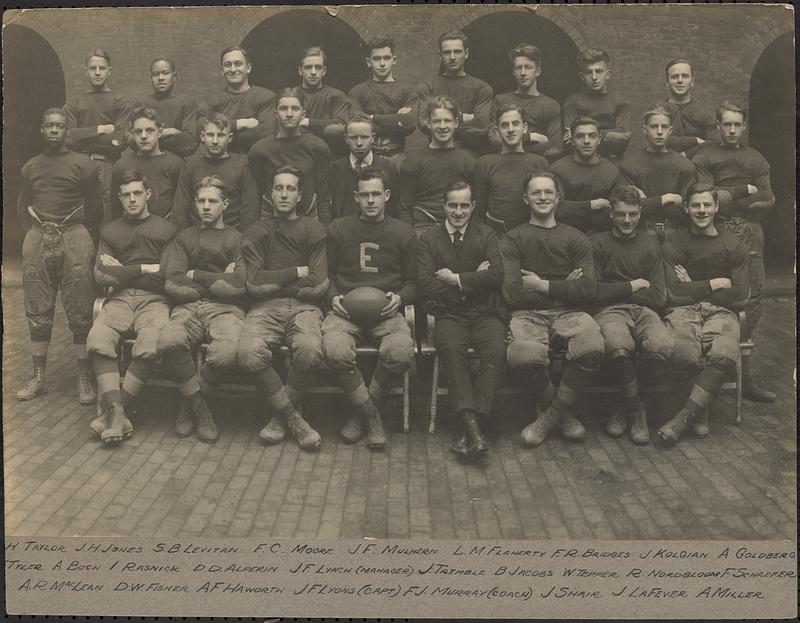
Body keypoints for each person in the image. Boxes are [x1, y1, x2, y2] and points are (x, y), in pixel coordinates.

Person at [500, 170, 603, 447]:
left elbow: (588, 289)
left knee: (592, 346)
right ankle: (563, 414)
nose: (542, 197)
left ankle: (548, 417)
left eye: (548, 192)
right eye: (536, 192)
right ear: (526, 199)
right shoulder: (513, 239)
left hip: (570, 313)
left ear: (558, 198)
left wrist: (541, 285)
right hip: (528, 314)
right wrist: (563, 289)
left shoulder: (576, 238)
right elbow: (512, 292)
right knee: (523, 355)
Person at [324, 167, 417, 451]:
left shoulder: (403, 232)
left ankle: (362, 413)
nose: (371, 200)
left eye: (376, 194)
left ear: (387, 195)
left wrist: (400, 298)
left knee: (401, 351)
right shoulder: (338, 228)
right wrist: (333, 297)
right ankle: (372, 416)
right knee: (335, 349)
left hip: (386, 311)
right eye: (365, 195)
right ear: (356, 197)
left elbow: (415, 282)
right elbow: (325, 276)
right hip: (346, 311)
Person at [15, 108, 102, 406]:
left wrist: (82, 239)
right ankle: (38, 377)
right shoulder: (30, 167)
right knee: (37, 308)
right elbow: (22, 206)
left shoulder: (85, 165)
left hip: (75, 236)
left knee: (80, 309)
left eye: (60, 126)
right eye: (49, 125)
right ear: (41, 129)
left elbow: (95, 210)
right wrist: (36, 234)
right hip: (39, 236)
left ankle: (83, 377)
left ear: (68, 130)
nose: (54, 130)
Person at [237, 166, 328, 451]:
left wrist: (275, 278)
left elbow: (319, 282)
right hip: (265, 307)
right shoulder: (258, 230)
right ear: (270, 194)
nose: (284, 194)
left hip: (305, 307)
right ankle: (293, 418)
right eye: (279, 188)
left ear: (300, 195)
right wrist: (296, 272)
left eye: (291, 189)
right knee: (248, 353)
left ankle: (280, 418)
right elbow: (253, 283)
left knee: (310, 349)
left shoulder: (314, 229)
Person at [692, 101, 776, 403]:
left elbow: (768, 199)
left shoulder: (756, 159)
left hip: (749, 232)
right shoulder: (704, 156)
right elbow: (706, 197)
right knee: (713, 296)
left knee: (751, 300)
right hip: (716, 231)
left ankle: (745, 377)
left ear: (744, 127)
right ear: (718, 126)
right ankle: (710, 365)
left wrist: (733, 201)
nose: (731, 129)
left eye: (736, 124)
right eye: (726, 124)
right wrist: (745, 191)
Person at [417, 181, 506, 460]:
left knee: (496, 350)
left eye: (464, 205)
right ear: (443, 206)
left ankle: (469, 427)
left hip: (485, 313)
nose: (458, 212)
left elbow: (496, 277)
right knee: (452, 352)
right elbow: (426, 284)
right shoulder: (429, 239)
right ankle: (473, 428)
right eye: (452, 205)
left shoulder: (486, 234)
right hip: (449, 314)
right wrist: (473, 282)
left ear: (473, 207)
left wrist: (455, 279)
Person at [87, 170, 178, 444]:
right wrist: (143, 267)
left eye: (137, 193)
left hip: (155, 300)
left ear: (148, 194)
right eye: (126, 195)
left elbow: (168, 275)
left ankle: (115, 411)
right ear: (119, 198)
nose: (132, 199)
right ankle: (118, 412)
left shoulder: (166, 229)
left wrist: (123, 271)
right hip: (120, 298)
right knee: (98, 337)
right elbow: (101, 275)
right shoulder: (110, 231)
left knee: (151, 339)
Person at [657, 183, 750, 445]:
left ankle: (684, 417)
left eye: (707, 205)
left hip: (722, 312)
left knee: (724, 352)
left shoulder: (733, 245)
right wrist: (716, 283)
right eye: (695, 205)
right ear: (687, 208)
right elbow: (674, 293)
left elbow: (741, 295)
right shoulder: (674, 243)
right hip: (682, 310)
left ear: (716, 207)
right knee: (683, 353)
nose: (701, 210)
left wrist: (694, 287)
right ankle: (701, 409)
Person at [157, 176, 247, 443]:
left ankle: (189, 403)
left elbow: (240, 285)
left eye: (213, 201)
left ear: (225, 204)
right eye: (201, 201)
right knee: (169, 339)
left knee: (228, 351)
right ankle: (200, 407)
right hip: (189, 306)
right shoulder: (185, 237)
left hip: (226, 309)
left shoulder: (237, 239)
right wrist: (219, 279)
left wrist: (195, 274)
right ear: (195, 204)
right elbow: (173, 281)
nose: (206, 206)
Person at [590, 186, 673, 445]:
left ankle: (622, 405)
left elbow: (659, 295)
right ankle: (636, 409)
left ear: (640, 215)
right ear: (611, 214)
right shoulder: (597, 243)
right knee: (617, 344)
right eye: (622, 214)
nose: (627, 221)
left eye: (633, 215)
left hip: (645, 311)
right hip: (610, 311)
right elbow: (593, 293)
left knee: (662, 344)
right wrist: (634, 286)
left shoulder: (650, 244)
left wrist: (617, 292)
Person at [64, 48, 133, 223]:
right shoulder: (75, 102)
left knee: (108, 208)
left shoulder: (120, 101)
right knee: (80, 205)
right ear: (85, 71)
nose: (97, 72)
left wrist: (81, 138)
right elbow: (67, 137)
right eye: (93, 68)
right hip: (80, 163)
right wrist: (100, 129)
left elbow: (119, 141)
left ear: (110, 70)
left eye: (101, 68)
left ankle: (105, 250)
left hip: (108, 164)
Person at [248, 88, 332, 224]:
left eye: (295, 109)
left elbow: (323, 194)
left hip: (308, 220)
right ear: (275, 113)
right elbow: (255, 196)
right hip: (271, 221)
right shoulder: (260, 149)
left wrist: (324, 228)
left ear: (303, 114)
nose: (289, 114)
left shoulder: (317, 146)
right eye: (283, 108)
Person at [399, 96, 475, 235]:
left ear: (456, 123)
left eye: (447, 121)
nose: (442, 126)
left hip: (459, 228)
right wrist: (409, 238)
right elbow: (405, 208)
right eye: (436, 121)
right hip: (423, 228)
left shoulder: (468, 161)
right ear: (428, 123)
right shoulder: (413, 161)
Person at [618, 105, 696, 240]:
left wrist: (645, 202)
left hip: (676, 236)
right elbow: (626, 207)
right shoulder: (628, 164)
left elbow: (687, 211)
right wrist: (665, 199)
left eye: (664, 127)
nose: (659, 132)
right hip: (639, 235)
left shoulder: (685, 165)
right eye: (654, 127)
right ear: (644, 129)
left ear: (670, 130)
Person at [172, 112, 259, 231]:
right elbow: (180, 212)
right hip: (196, 235)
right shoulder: (190, 165)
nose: (215, 141)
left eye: (221, 135)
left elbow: (250, 212)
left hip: (231, 236)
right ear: (202, 136)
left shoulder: (241, 165)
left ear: (230, 138)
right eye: (210, 135)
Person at [474, 104, 548, 234]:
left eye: (515, 124)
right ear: (497, 131)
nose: (511, 129)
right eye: (505, 125)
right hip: (497, 235)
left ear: (524, 128)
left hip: (532, 234)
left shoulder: (539, 163)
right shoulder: (485, 164)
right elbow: (479, 210)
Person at [416, 30, 493, 156]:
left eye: (457, 52)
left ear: (466, 53)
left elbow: (481, 127)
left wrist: (439, 125)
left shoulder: (482, 88)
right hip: (436, 153)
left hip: (470, 155)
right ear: (440, 55)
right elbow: (424, 123)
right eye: (447, 52)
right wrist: (463, 118)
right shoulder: (428, 86)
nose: (452, 57)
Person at [348, 36, 417, 165]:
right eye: (377, 59)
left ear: (394, 60)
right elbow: (358, 127)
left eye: (386, 58)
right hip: (366, 158)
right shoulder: (357, 91)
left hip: (396, 158)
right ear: (369, 62)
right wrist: (396, 118)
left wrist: (371, 117)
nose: (382, 63)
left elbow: (409, 124)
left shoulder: (406, 90)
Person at [110, 107, 185, 222]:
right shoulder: (122, 165)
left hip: (165, 230)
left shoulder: (176, 164)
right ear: (132, 133)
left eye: (149, 130)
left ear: (159, 132)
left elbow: (181, 208)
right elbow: (115, 208)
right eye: (138, 131)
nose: (144, 136)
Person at [550, 116, 623, 233]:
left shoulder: (611, 170)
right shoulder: (557, 169)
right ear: (572, 141)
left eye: (592, 136)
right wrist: (589, 206)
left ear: (599, 140)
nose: (586, 141)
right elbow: (554, 207)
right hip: (566, 234)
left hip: (603, 235)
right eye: (580, 136)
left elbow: (617, 208)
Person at [489, 44, 562, 160]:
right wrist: (530, 138)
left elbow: (555, 148)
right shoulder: (501, 100)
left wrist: (515, 146)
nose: (523, 72)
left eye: (528, 67)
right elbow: (494, 140)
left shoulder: (551, 105)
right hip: (504, 162)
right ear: (513, 71)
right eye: (518, 68)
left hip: (537, 167)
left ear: (537, 71)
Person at [199, 46, 276, 153]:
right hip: (220, 160)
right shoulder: (212, 99)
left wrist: (221, 134)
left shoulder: (266, 97)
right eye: (228, 65)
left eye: (238, 64)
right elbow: (200, 125)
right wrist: (238, 124)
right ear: (222, 71)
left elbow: (265, 132)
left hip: (254, 159)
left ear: (248, 68)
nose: (233, 69)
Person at [562, 49, 630, 161]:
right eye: (589, 72)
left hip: (612, 162)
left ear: (607, 74)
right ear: (582, 77)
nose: (594, 77)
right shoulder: (573, 101)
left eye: (598, 71)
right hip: (581, 162)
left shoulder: (621, 101)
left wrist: (583, 135)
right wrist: (609, 134)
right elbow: (570, 142)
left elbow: (622, 139)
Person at [330, 113, 399, 220]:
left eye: (364, 137)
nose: (359, 143)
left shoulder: (388, 167)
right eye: (353, 137)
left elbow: (395, 207)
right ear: (346, 139)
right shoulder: (335, 168)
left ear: (373, 138)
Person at [294, 46, 351, 157]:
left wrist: (307, 122)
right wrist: (324, 127)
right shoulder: (291, 96)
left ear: (324, 71)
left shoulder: (337, 96)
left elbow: (341, 128)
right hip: (298, 156)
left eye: (318, 67)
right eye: (308, 67)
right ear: (300, 70)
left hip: (331, 156)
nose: (313, 72)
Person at [138, 57, 199, 158]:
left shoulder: (186, 102)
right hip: (146, 160)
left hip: (175, 161)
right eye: (155, 74)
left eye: (165, 73)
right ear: (151, 78)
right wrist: (173, 132)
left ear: (174, 76)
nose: (160, 78)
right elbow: (132, 140)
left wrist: (152, 137)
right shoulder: (143, 103)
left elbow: (189, 141)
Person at [661, 59, 718, 158]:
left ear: (692, 82)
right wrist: (695, 140)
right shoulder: (659, 109)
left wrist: (687, 154)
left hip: (697, 165)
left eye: (685, 76)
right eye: (674, 77)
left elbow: (714, 141)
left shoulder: (705, 111)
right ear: (667, 82)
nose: (680, 80)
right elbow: (659, 138)